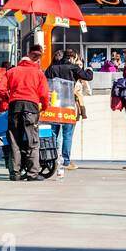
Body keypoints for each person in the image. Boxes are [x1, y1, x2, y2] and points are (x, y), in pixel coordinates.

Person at [0, 50, 50, 181]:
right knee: (33, 141)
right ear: (32, 61)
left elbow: (0, 88)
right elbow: (44, 93)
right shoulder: (38, 73)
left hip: (15, 106)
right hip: (31, 107)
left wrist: (9, 97)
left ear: (20, 61)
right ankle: (33, 173)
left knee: (14, 141)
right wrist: (44, 106)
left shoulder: (11, 71)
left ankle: (15, 173)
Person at [45, 47, 93, 176]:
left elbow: (45, 82)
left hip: (54, 104)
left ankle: (52, 158)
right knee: (67, 134)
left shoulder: (53, 68)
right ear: (72, 58)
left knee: (54, 133)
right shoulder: (74, 68)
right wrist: (89, 69)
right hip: (69, 106)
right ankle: (66, 160)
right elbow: (88, 77)